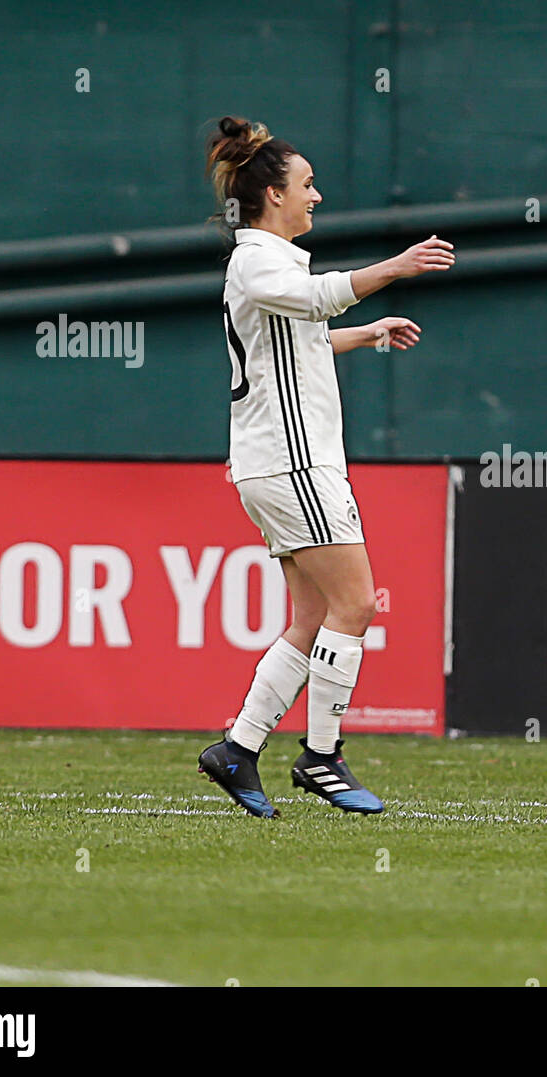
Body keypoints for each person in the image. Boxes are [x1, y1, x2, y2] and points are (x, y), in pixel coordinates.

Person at [196, 116, 454, 818]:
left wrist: (364, 334)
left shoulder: (267, 262)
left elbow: (298, 338)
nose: (318, 196)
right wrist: (395, 268)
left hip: (275, 462)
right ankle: (321, 756)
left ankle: (239, 748)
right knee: (358, 603)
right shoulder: (258, 261)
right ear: (272, 194)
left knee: (312, 612)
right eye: (307, 185)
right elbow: (314, 300)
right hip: (293, 460)